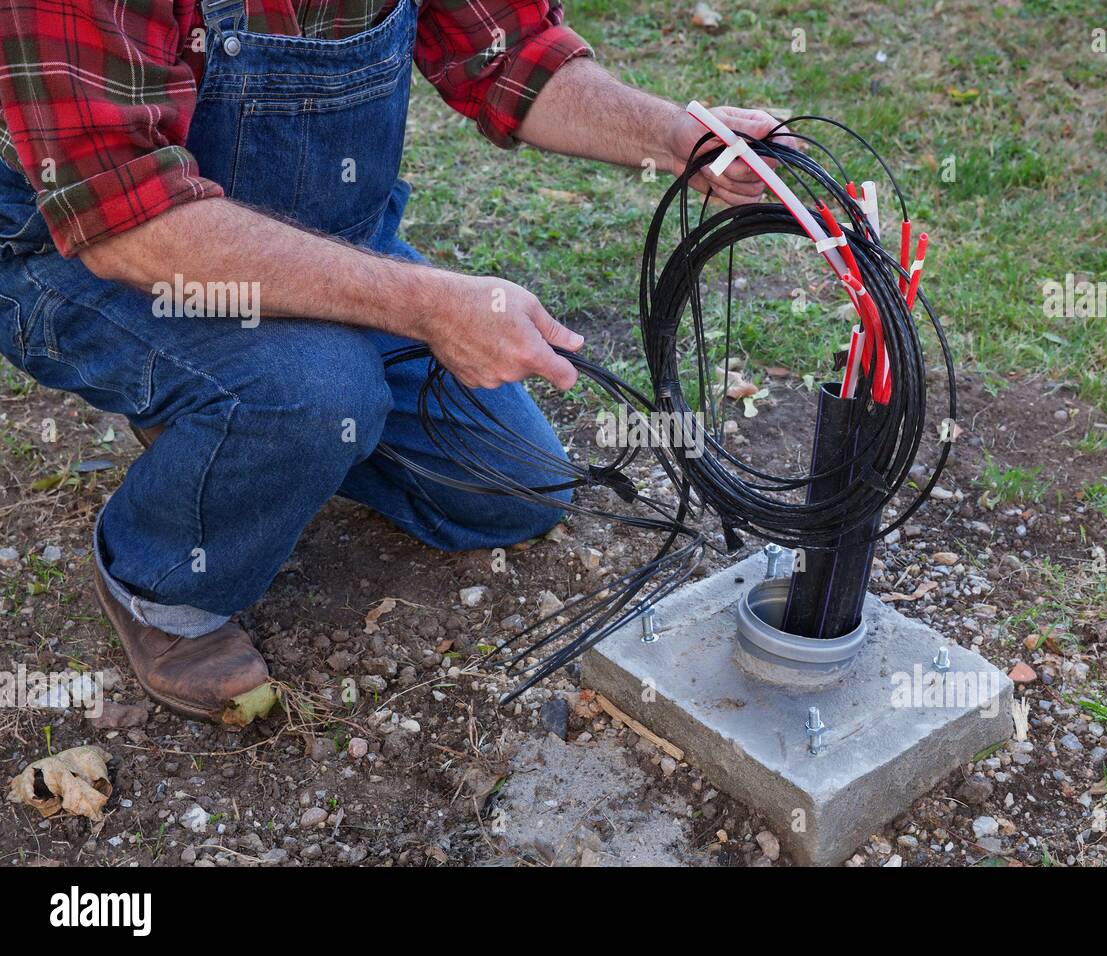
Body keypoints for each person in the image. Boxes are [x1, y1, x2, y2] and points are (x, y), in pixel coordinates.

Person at [0, 0, 783, 724]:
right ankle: (158, 588)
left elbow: (512, 55)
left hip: (321, 248)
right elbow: (125, 219)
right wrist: (432, 306)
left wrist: (681, 139)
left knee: (514, 489)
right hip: (83, 252)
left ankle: (230, 416)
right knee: (312, 392)